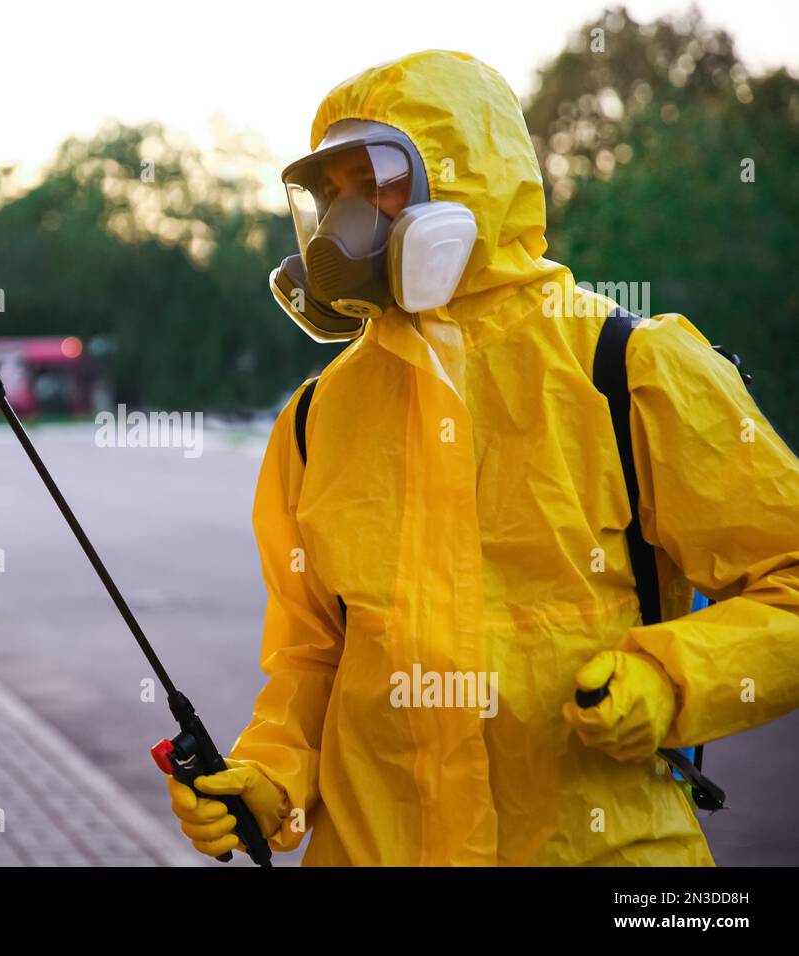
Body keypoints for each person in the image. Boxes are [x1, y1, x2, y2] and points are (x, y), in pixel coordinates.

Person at [167, 49, 799, 866]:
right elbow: (312, 656)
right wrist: (272, 774)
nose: (346, 222)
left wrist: (670, 677)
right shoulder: (316, 418)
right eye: (335, 194)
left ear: (467, 182)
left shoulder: (628, 368)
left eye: (379, 183)